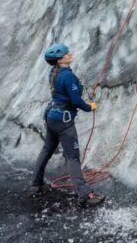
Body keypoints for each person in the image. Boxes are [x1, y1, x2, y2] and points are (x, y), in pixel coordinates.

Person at [30, 43, 105, 206]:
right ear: (60, 59)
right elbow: (76, 101)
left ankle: (36, 185)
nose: (70, 54)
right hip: (63, 121)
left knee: (47, 150)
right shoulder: (67, 76)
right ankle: (84, 194)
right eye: (66, 54)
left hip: (51, 116)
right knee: (73, 157)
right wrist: (89, 107)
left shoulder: (54, 72)